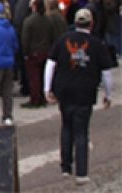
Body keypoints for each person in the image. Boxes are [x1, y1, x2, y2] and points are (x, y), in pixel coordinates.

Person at [44, 9, 114, 185]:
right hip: (85, 91)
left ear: (75, 23)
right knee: (82, 131)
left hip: (64, 90)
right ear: (91, 24)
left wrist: (47, 88)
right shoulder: (97, 44)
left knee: (66, 126)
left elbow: (50, 64)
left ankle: (66, 167)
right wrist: (108, 93)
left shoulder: (62, 40)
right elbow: (106, 73)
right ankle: (82, 172)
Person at [21, 0, 52, 108]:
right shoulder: (48, 20)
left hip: (33, 52)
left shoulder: (29, 21)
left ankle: (35, 99)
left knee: (34, 77)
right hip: (45, 50)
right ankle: (42, 97)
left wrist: (25, 53)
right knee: (42, 76)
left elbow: (25, 39)